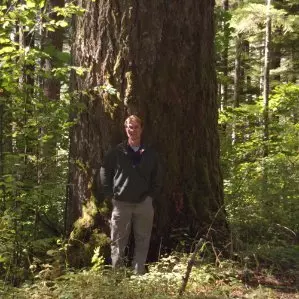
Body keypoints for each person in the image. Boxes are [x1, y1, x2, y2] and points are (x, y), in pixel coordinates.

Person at [100, 115, 162, 275]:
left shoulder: (150, 153)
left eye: (135, 127)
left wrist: (150, 197)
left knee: (143, 241)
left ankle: (138, 274)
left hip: (144, 204)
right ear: (125, 129)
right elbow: (104, 170)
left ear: (141, 129)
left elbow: (158, 176)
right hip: (121, 203)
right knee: (118, 242)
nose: (132, 130)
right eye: (129, 127)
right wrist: (109, 194)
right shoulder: (117, 152)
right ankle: (117, 276)